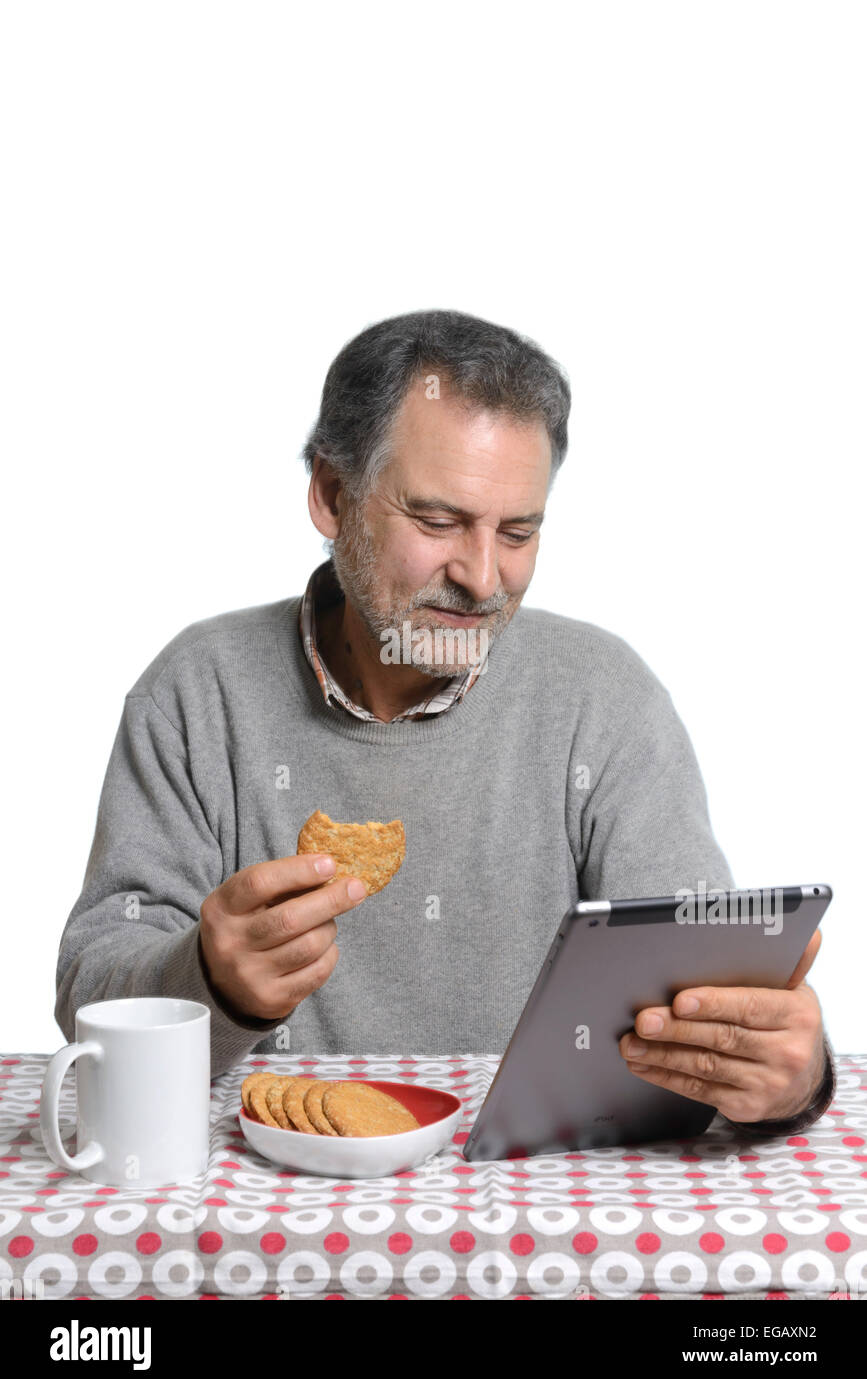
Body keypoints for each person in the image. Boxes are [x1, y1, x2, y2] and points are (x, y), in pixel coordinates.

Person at [56, 308, 834, 1135]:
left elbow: (693, 990)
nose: (482, 577)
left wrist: (787, 1079)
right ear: (331, 495)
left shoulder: (605, 700)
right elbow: (87, 995)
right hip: (266, 1195)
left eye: (519, 531)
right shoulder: (196, 691)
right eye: (437, 523)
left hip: (544, 1199)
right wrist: (210, 979)